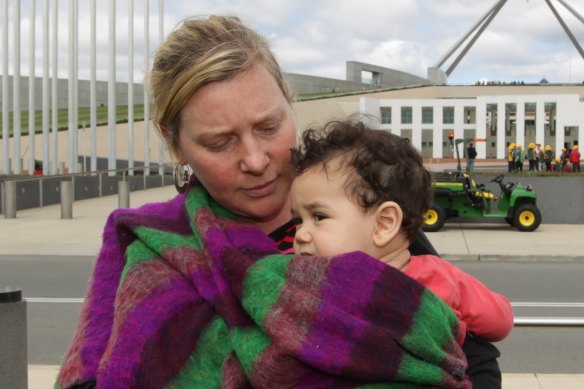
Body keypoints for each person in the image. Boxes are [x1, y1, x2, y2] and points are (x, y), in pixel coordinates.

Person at [55, 15, 501, 389]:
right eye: (220, 142)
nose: (254, 159)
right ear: (176, 146)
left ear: (291, 105)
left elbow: (471, 358)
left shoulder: (363, 215)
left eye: (269, 127)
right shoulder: (150, 245)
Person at [290, 119, 513, 347]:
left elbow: (501, 320)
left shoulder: (439, 280)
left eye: (318, 217)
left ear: (384, 224)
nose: (300, 234)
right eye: (298, 220)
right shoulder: (441, 278)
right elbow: (501, 319)